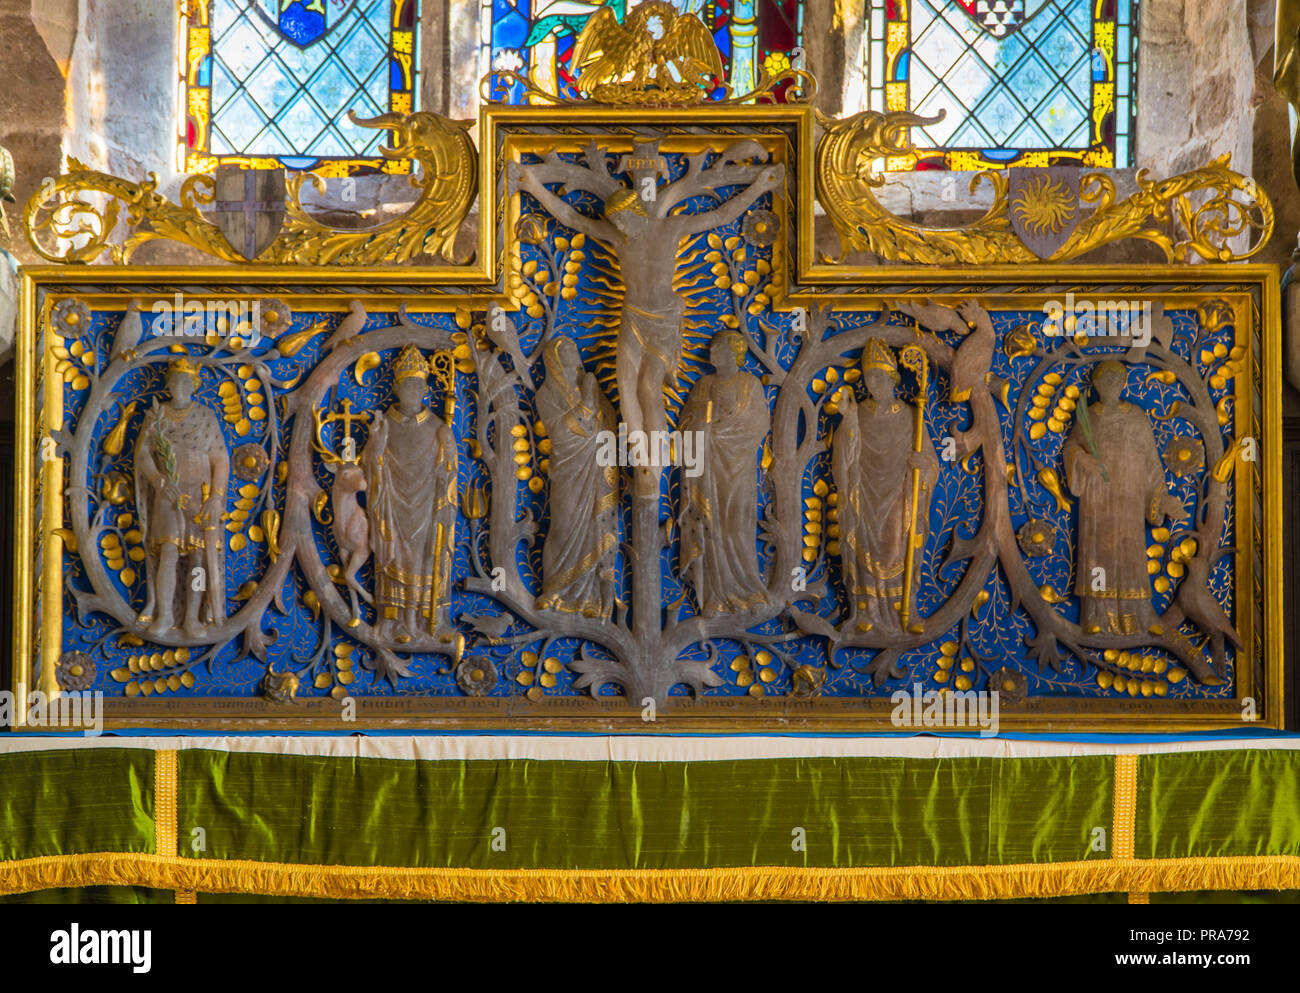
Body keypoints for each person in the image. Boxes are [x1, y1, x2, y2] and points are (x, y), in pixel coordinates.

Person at [1064, 360, 1183, 635]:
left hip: (1130, 495)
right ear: (1096, 385)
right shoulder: (1089, 416)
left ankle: (1138, 615)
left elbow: (1151, 462)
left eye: (1117, 382)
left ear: (1123, 384)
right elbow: (1072, 446)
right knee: (1098, 555)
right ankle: (1095, 616)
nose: (1112, 387)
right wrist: (1081, 459)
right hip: (1097, 497)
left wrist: (1161, 497)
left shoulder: (1136, 417)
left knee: (1129, 552)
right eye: (1106, 382)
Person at [833, 338, 938, 636]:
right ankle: (866, 608)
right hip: (864, 491)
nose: (874, 383)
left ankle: (904, 607)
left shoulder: (909, 415)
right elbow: (844, 453)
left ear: (892, 378)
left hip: (898, 495)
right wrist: (849, 421)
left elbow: (930, 459)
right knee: (864, 546)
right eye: (869, 378)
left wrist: (924, 464)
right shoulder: (860, 413)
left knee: (898, 548)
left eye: (880, 377)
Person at [361, 345, 458, 645]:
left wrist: (447, 491)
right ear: (396, 387)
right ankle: (395, 621)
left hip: (427, 506)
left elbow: (451, 470)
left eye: (418, 385)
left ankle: (429, 620)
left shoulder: (439, 428)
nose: (412, 391)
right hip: (393, 504)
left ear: (426, 390)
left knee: (427, 559)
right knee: (395, 558)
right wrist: (375, 446)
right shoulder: (385, 425)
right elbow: (369, 462)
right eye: (407, 384)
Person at [134, 357, 229, 639]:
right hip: (168, 492)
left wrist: (216, 497)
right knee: (168, 552)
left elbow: (220, 459)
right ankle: (164, 614)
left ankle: (192, 617)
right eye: (175, 381)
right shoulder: (156, 416)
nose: (180, 386)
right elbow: (143, 455)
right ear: (168, 384)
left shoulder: (205, 417)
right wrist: (158, 480)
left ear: (194, 385)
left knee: (198, 558)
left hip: (199, 493)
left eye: (186, 381)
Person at [678, 330, 770, 616]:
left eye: (720, 350)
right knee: (711, 525)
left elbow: (759, 424)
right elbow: (686, 423)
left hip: (739, 467)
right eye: (713, 349)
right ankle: (716, 594)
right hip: (708, 469)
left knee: (738, 524)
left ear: (735, 353)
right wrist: (700, 430)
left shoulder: (749, 385)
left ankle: (748, 589)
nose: (713, 354)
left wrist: (720, 431)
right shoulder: (703, 385)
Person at [535, 336, 618, 617]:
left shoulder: (589, 385)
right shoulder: (546, 394)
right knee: (563, 526)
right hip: (568, 469)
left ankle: (590, 598)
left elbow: (607, 426)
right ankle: (554, 588)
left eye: (573, 347)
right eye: (564, 349)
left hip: (596, 469)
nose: (572, 352)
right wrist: (588, 402)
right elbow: (560, 433)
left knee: (595, 528)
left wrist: (595, 401)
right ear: (553, 360)